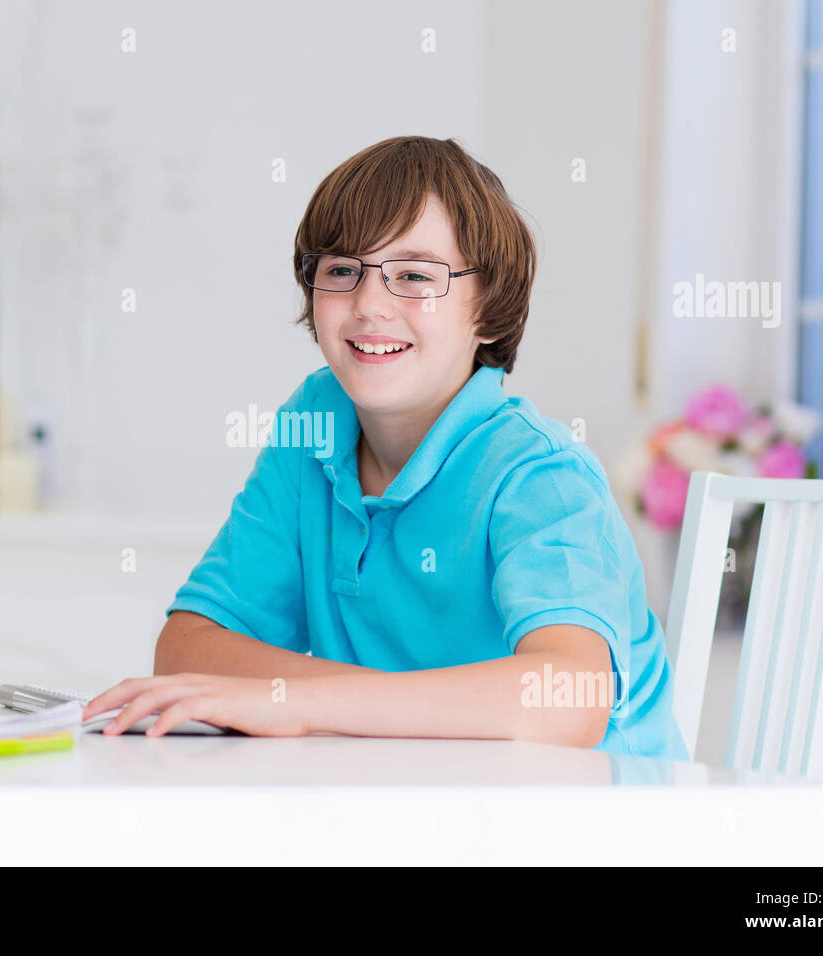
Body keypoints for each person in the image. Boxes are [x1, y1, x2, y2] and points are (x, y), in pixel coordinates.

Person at [83, 135, 687, 759]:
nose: (370, 305)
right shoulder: (314, 422)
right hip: (411, 807)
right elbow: (189, 647)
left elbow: (567, 700)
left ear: (488, 310)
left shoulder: (539, 474)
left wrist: (295, 700)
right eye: (342, 270)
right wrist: (360, 705)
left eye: (415, 276)